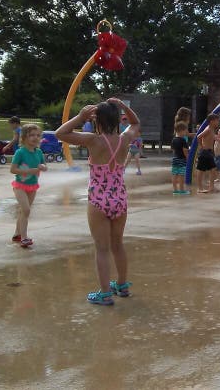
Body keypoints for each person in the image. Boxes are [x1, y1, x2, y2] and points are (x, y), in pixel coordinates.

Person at [55, 98, 140, 305]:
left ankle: (104, 294)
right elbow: (136, 123)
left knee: (102, 248)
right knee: (117, 244)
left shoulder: (93, 140)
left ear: (97, 122)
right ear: (118, 120)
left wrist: (80, 117)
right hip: (119, 198)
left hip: (98, 201)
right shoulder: (125, 139)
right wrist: (124, 106)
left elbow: (60, 134)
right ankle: (121, 285)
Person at [9, 124, 47, 247]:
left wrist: (43, 167)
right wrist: (29, 171)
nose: (35, 138)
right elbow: (13, 170)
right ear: (24, 137)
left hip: (33, 186)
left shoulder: (39, 152)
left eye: (37, 135)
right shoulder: (20, 152)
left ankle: (17, 234)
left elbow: (44, 166)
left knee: (23, 211)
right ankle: (24, 238)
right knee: (26, 210)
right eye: (31, 135)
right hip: (19, 185)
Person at [195, 113, 220, 193]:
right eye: (217, 121)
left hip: (209, 152)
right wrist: (200, 146)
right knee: (201, 170)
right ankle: (199, 188)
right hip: (204, 152)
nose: (218, 122)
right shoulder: (209, 129)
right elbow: (198, 136)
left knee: (213, 169)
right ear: (211, 121)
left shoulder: (212, 129)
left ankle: (211, 187)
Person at [171, 122, 190, 195]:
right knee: (181, 175)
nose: (186, 132)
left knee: (174, 174)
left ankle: (175, 190)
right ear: (181, 130)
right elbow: (185, 151)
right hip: (182, 159)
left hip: (175, 159)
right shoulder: (183, 140)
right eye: (185, 131)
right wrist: (187, 158)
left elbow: (173, 150)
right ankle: (181, 190)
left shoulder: (174, 139)